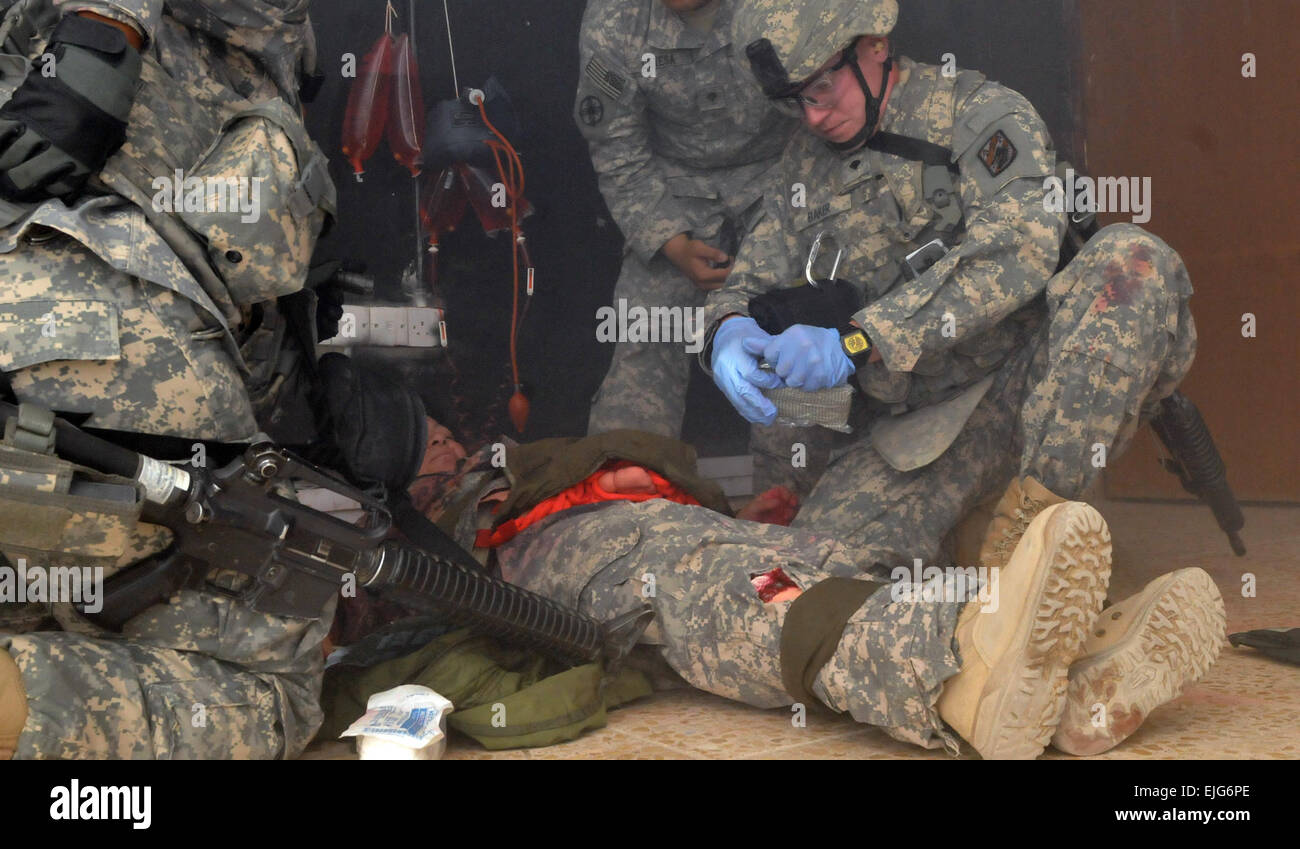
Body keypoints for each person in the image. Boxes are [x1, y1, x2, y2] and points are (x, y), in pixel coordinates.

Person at [701, 0, 1203, 591]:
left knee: (1132, 258)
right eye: (794, 102)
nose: (813, 117)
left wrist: (861, 339)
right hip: (924, 429)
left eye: (822, 90)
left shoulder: (980, 116)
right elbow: (747, 281)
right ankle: (968, 552)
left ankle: (1037, 540)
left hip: (1033, 381)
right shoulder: (803, 167)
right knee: (810, 586)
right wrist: (726, 333)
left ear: (874, 45)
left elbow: (1015, 250)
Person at [0, 0, 335, 760]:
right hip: (105, 360)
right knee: (273, 686)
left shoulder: (24, 42)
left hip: (84, 405)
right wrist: (100, 46)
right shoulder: (247, 11)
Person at [402, 417, 1225, 759]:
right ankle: (963, 673)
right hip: (594, 555)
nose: (449, 444)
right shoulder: (437, 535)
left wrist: (718, 504)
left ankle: (1071, 680)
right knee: (742, 595)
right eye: (430, 449)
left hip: (665, 524)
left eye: (446, 434)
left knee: (822, 557)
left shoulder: (520, 465)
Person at [574, 0, 819, 492]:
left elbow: (842, 102)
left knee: (791, 349)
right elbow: (618, 149)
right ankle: (624, 522)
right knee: (643, 349)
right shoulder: (615, 15)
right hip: (675, 194)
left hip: (786, 183)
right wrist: (671, 242)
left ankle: (793, 519)